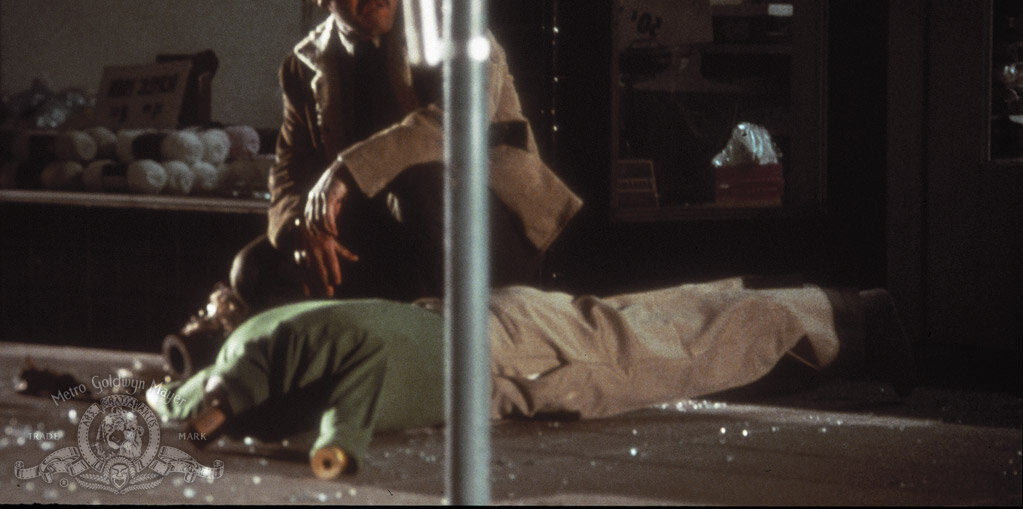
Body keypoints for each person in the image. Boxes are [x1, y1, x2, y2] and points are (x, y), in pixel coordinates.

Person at [148, 276, 915, 479]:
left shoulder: (254, 356)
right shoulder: (265, 335)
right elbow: (187, 397)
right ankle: (832, 317)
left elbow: (208, 407)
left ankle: (854, 321)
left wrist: (335, 445)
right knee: (661, 328)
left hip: (507, 353)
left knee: (672, 344)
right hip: (489, 328)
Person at [227, 0, 582, 312]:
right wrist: (302, 228)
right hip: (381, 230)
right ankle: (364, 331)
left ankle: (443, 331)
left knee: (422, 181)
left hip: (484, 225)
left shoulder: (453, 29)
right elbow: (288, 176)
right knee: (252, 268)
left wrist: (345, 170)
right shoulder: (303, 66)